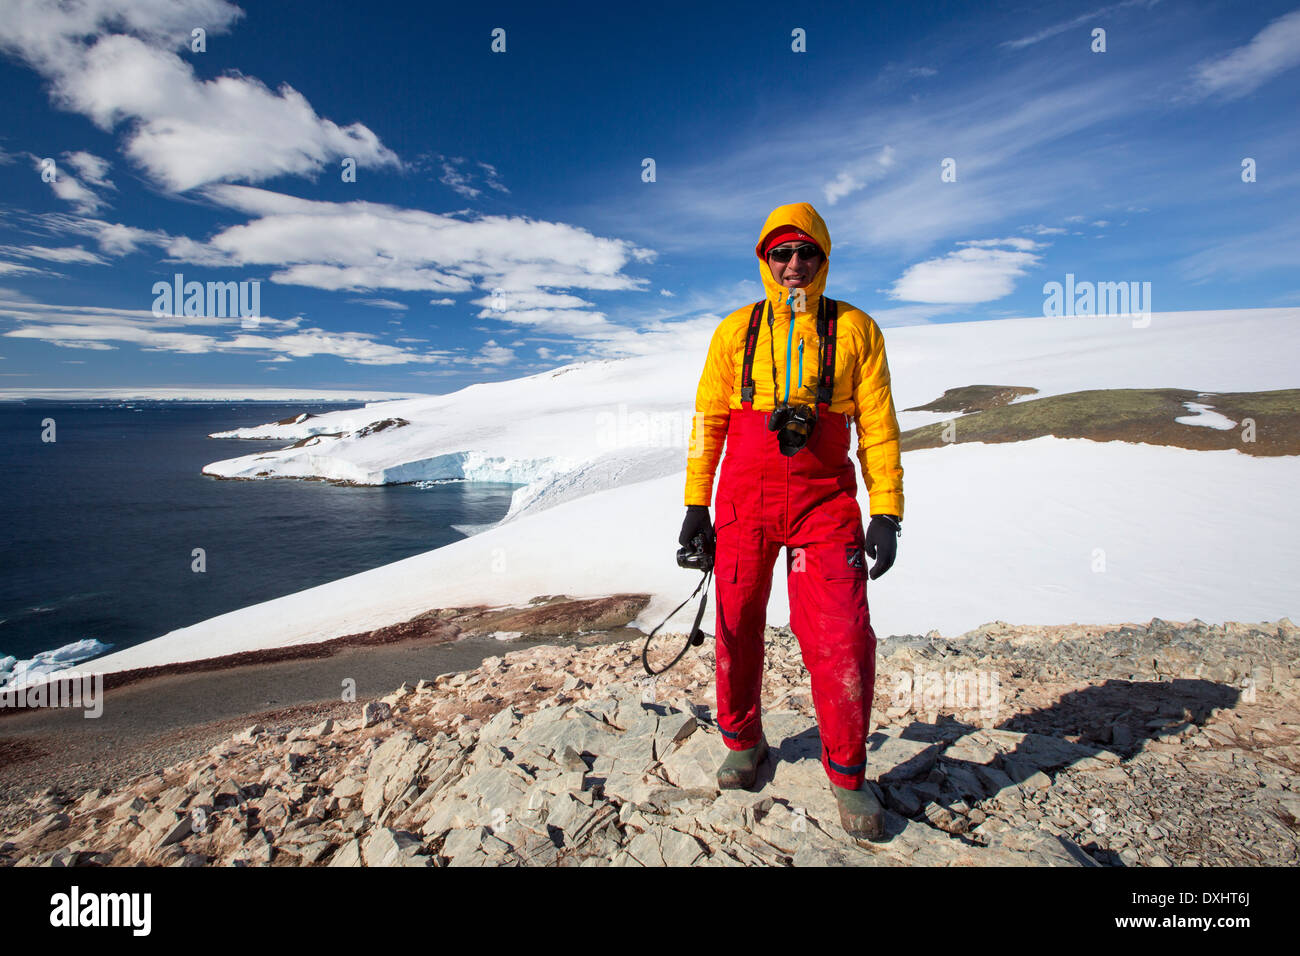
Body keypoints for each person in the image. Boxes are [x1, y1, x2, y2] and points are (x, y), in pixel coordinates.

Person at [680, 201, 904, 842]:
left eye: (806, 252)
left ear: (824, 258)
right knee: (736, 620)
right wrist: (697, 505)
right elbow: (709, 422)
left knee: (839, 632)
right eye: (780, 253)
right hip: (743, 502)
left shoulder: (858, 329)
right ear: (764, 261)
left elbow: (879, 429)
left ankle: (847, 773)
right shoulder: (734, 332)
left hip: (823, 505)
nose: (794, 265)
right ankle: (743, 742)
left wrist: (886, 511)